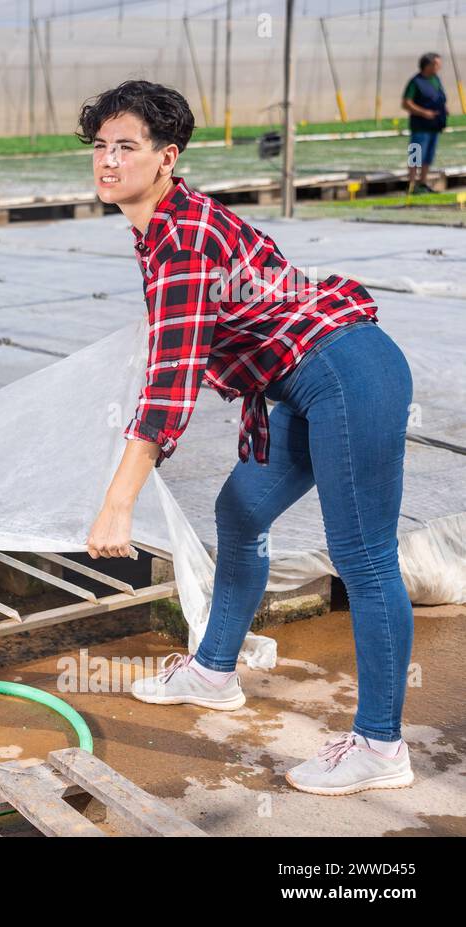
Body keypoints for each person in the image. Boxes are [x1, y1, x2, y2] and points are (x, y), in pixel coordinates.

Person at [79, 80, 416, 797]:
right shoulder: (161, 225)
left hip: (348, 374)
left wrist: (119, 500)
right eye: (101, 146)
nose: (108, 161)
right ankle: (213, 671)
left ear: (167, 157)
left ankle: (382, 744)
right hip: (302, 384)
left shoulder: (182, 238)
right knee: (240, 513)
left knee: (362, 553)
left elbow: (172, 381)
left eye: (126, 147)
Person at [402, 52, 449, 194]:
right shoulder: (415, 82)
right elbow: (406, 103)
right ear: (428, 65)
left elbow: (439, 97)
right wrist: (423, 112)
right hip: (420, 126)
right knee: (415, 154)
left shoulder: (436, 79)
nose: (439, 67)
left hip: (434, 126)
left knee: (428, 156)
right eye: (437, 64)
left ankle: (422, 182)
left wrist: (444, 108)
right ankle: (411, 184)